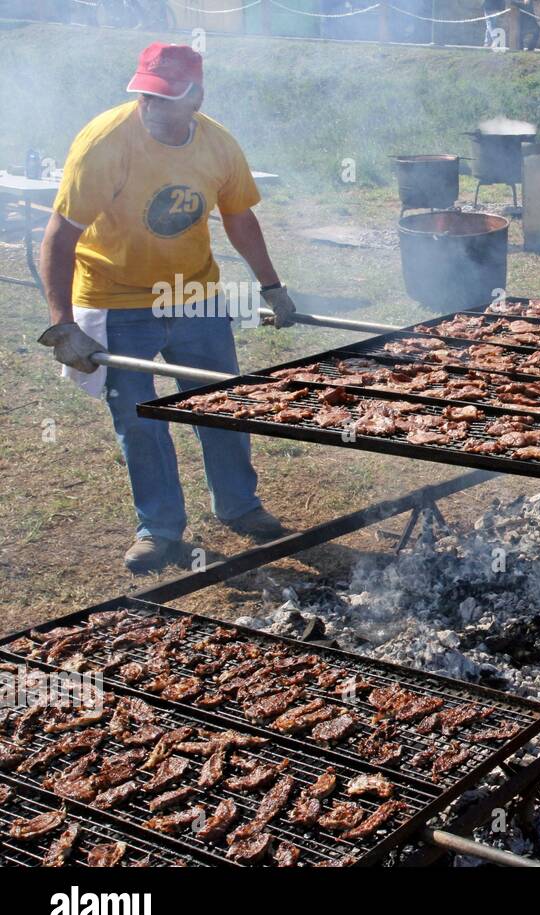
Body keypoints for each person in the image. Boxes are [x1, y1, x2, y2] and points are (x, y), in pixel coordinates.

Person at [36, 44, 297, 574]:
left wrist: (272, 286)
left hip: (194, 293)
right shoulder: (105, 143)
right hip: (116, 298)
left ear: (195, 97)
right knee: (139, 420)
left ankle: (239, 507)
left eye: (163, 98)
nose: (150, 107)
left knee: (219, 402)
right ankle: (159, 530)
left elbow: (240, 220)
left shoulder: (218, 145)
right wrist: (63, 325)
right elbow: (60, 237)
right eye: (144, 96)